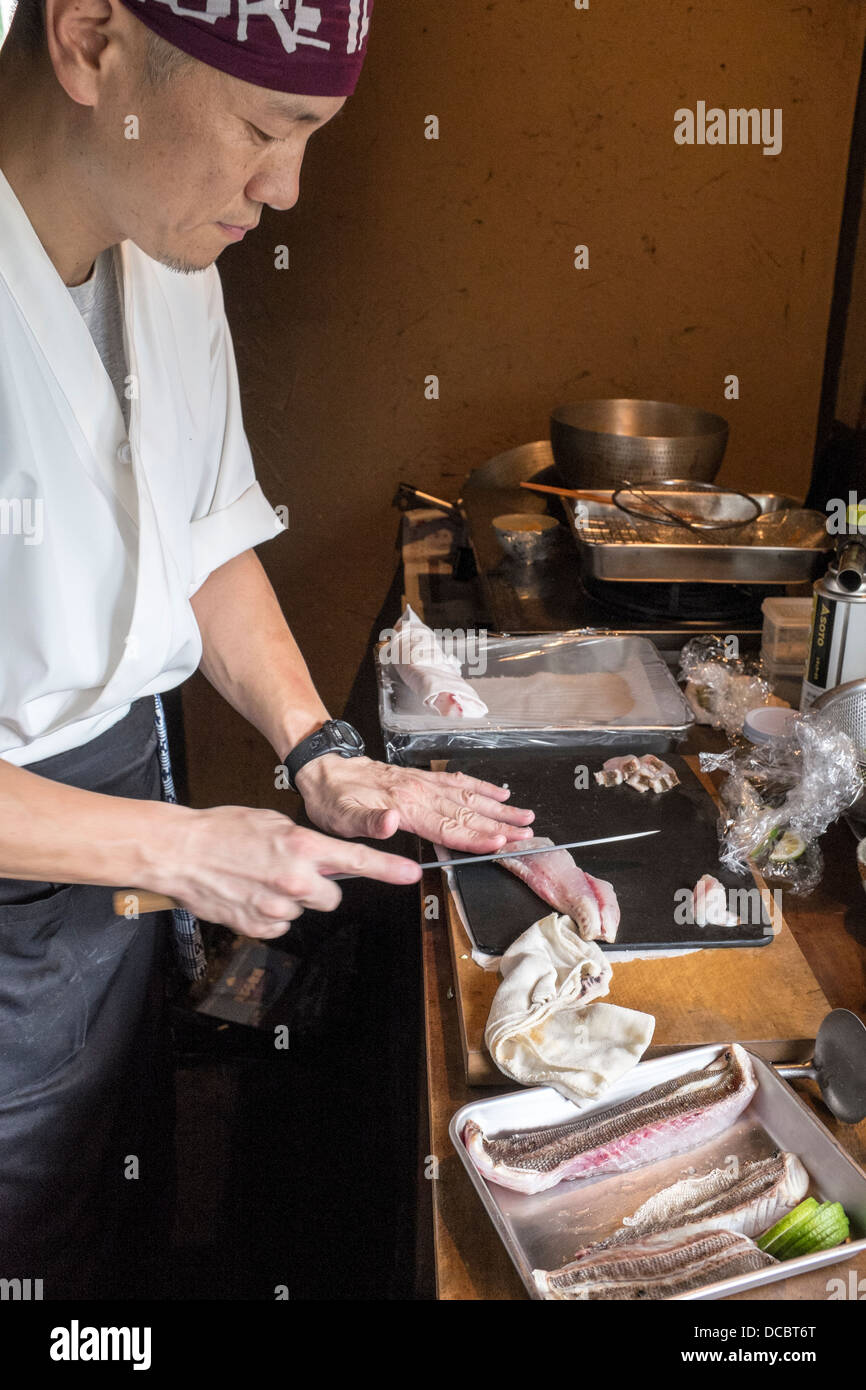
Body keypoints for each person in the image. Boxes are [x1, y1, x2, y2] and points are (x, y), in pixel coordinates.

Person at [0, 0, 534, 1297]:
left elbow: (203, 537)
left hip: (124, 799)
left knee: (108, 1197)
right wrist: (185, 850)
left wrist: (317, 748)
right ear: (87, 43)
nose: (284, 188)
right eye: (262, 127)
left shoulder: (165, 246)